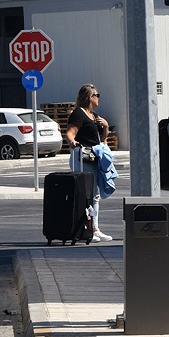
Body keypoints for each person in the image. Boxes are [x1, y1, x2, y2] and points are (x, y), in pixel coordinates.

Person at [63, 84, 115, 241]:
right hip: (82, 157)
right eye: (96, 95)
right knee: (85, 194)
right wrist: (72, 142)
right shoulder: (79, 114)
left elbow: (103, 139)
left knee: (95, 195)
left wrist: (105, 126)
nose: (98, 98)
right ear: (89, 97)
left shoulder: (93, 116)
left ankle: (94, 228)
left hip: (94, 157)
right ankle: (86, 228)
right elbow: (70, 133)